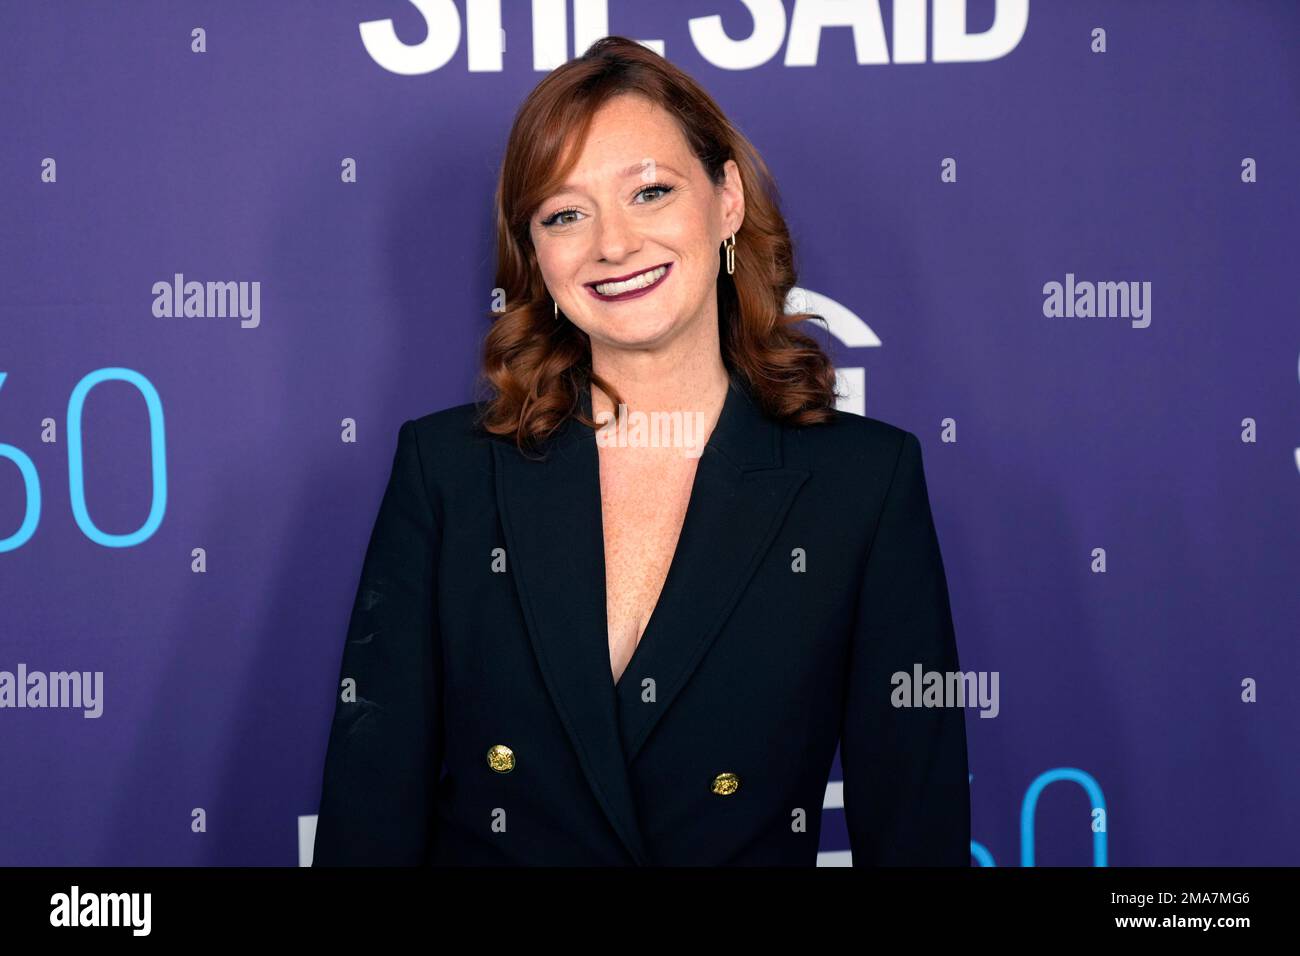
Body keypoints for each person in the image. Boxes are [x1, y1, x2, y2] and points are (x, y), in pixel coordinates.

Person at [312, 36, 969, 866]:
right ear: (536, 255)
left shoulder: (864, 484)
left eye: (650, 192)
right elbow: (368, 813)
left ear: (726, 200)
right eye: (564, 213)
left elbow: (917, 827)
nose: (612, 245)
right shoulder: (446, 473)